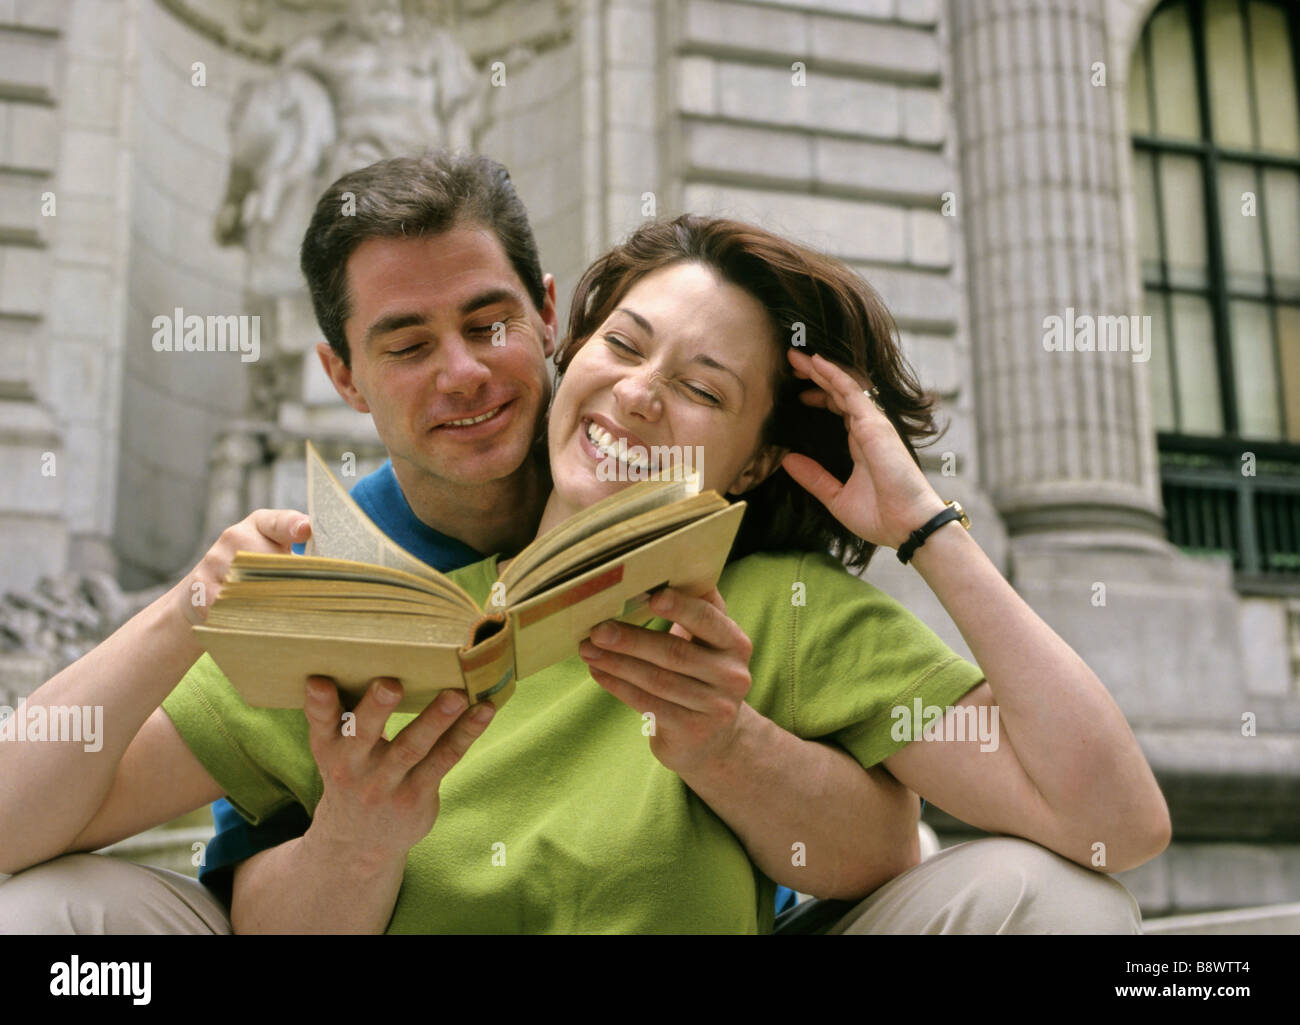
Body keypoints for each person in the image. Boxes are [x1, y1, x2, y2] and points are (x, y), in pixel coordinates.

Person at [116, 214, 1167, 932]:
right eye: (623, 344)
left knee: (1055, 898)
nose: (639, 396)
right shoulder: (364, 609)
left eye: (702, 388)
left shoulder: (777, 606)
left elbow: (1115, 824)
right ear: (570, 348)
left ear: (753, 458)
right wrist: (348, 827)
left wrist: (928, 528)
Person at [0, 155, 923, 932]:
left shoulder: (676, 514)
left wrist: (925, 531)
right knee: (47, 915)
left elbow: (896, 839)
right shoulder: (332, 584)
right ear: (343, 376)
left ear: (550, 315)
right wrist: (184, 611)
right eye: (406, 346)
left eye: (489, 324)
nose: (464, 373)